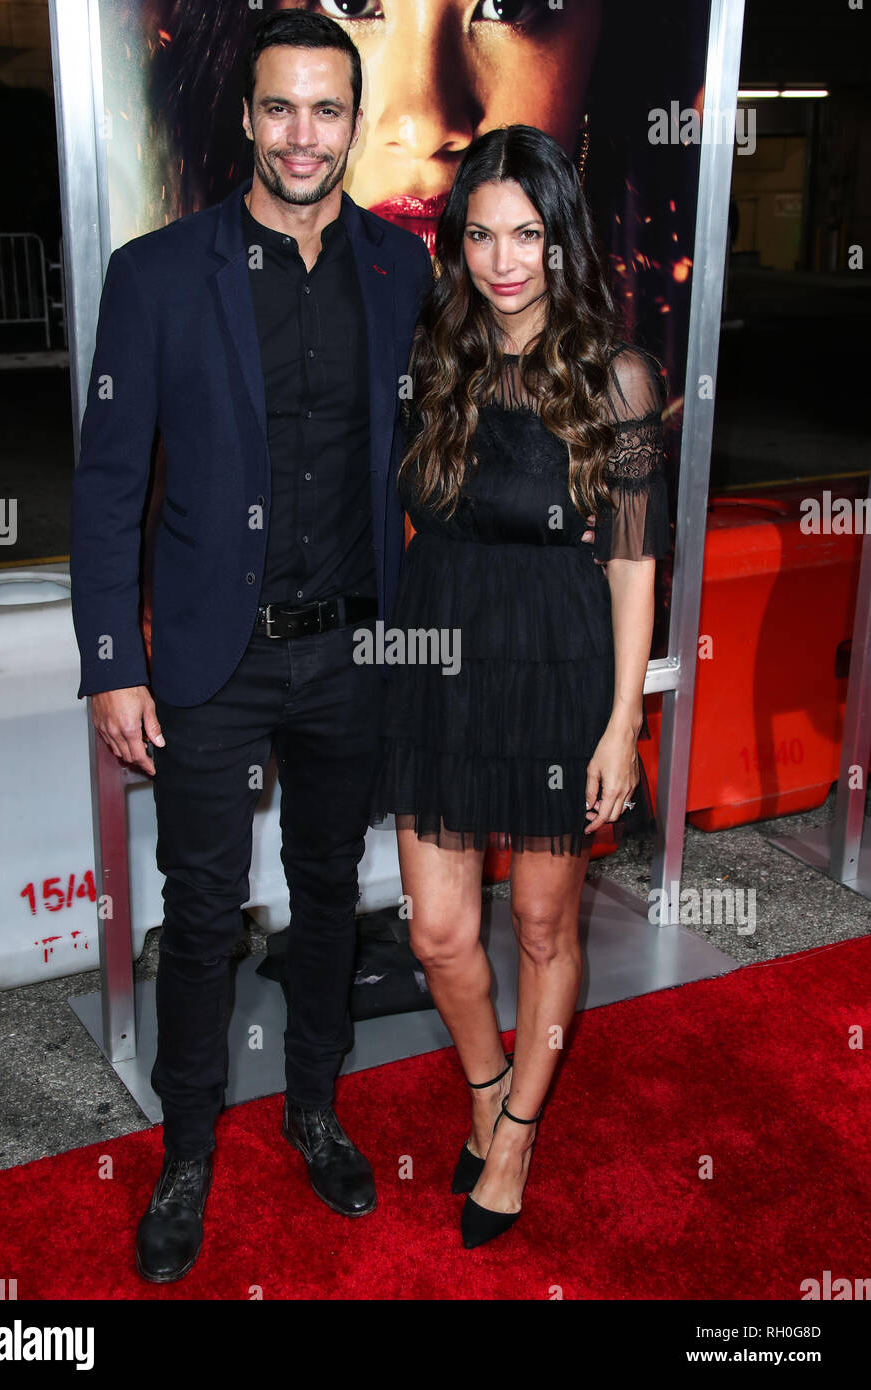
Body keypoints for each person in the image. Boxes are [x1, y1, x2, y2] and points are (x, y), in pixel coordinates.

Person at [70, 10, 432, 1283]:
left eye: (326, 110)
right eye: (279, 108)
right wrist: (115, 658)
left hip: (349, 654)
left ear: (352, 119)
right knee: (205, 913)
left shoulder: (400, 272)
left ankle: (317, 1108)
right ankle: (183, 1153)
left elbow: (433, 469)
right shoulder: (158, 272)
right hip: (209, 665)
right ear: (245, 119)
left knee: (331, 897)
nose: (302, 134)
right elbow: (110, 483)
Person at [369, 124, 670, 1248]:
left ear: (561, 240)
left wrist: (617, 722)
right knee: (441, 935)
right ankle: (489, 1090)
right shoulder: (433, 357)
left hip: (557, 659)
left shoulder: (617, 376)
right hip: (440, 658)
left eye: (527, 235)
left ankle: (521, 1135)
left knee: (543, 928)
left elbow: (635, 559)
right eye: (483, 235)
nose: (503, 261)